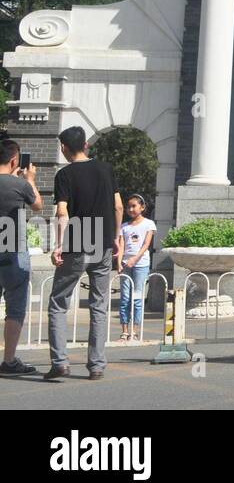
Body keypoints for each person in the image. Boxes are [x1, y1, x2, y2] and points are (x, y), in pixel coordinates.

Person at [47, 126, 122, 381]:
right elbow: (118, 205)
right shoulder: (106, 169)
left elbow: (61, 212)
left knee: (59, 302)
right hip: (102, 243)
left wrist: (59, 245)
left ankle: (60, 363)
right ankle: (97, 365)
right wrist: (116, 236)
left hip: (77, 242)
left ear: (64, 148)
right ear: (86, 145)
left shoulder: (64, 175)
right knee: (99, 305)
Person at [0, 139, 42, 376]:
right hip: (13, 250)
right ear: (15, 159)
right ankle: (8, 360)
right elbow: (38, 205)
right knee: (14, 308)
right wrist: (30, 179)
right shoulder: (19, 184)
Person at [117, 194, 156, 341]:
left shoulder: (149, 224)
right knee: (125, 298)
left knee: (137, 298)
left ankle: (135, 330)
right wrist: (119, 263)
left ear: (142, 207)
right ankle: (124, 330)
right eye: (128, 206)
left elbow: (146, 244)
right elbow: (121, 246)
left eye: (134, 206)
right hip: (125, 265)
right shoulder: (124, 227)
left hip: (141, 264)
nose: (130, 209)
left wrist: (135, 259)